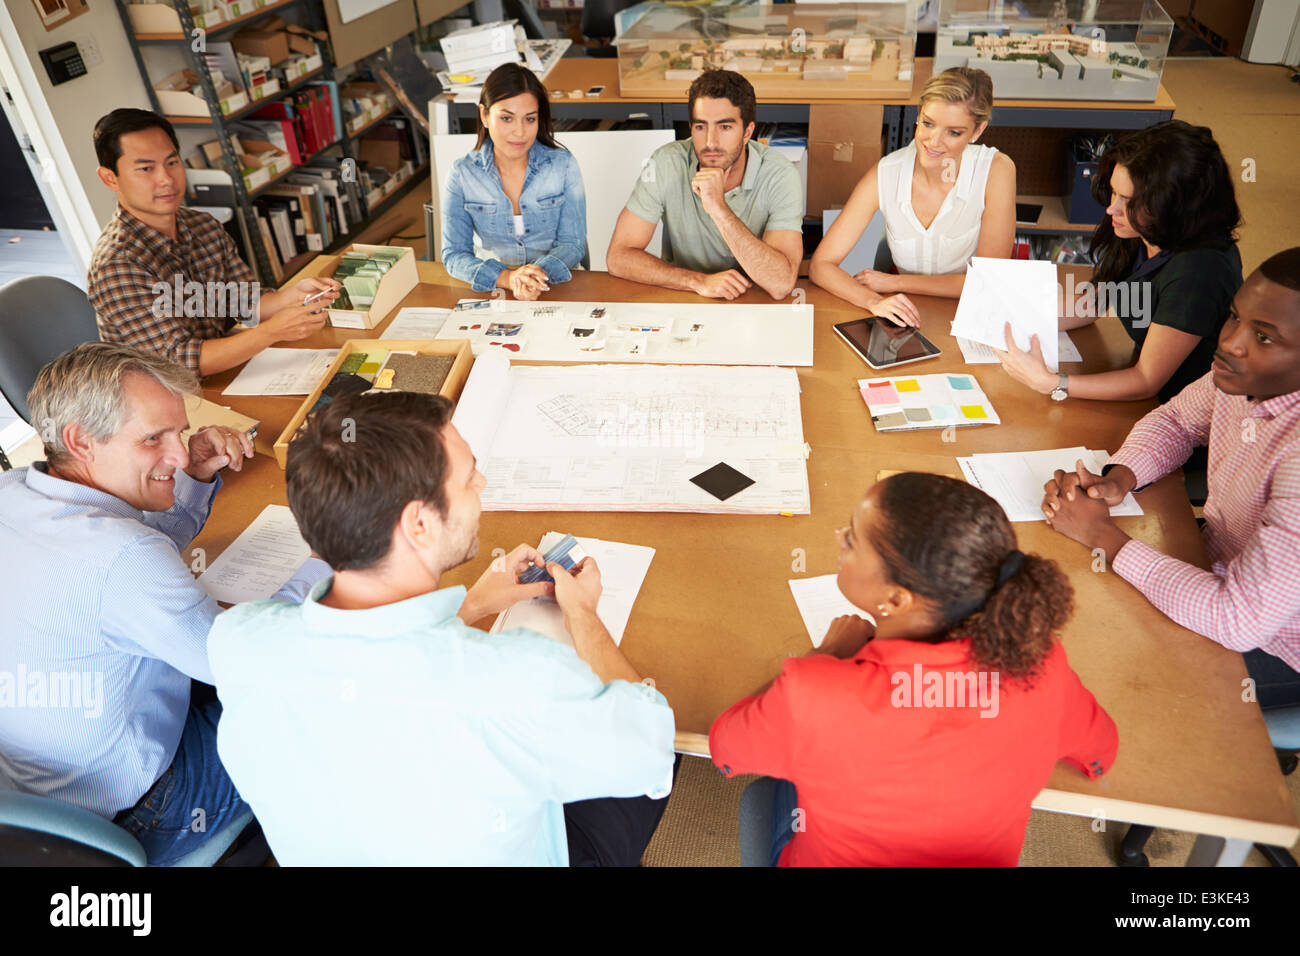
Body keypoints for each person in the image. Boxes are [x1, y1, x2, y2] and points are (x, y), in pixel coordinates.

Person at [207, 391, 677, 865]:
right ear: (419, 525)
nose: (483, 482)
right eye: (469, 478)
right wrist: (584, 616)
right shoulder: (516, 679)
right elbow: (650, 747)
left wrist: (471, 605)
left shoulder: (237, 639)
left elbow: (382, 675)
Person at [0, 342, 328, 865]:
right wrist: (330, 556)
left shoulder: (17, 490)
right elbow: (257, 661)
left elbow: (123, 566)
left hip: (40, 795)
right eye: (154, 438)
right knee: (324, 694)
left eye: (179, 430)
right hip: (148, 809)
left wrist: (190, 481)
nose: (178, 453)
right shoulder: (121, 557)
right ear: (80, 441)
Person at [709, 473, 1118, 866]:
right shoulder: (1042, 665)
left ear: (896, 600)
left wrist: (826, 654)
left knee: (767, 793)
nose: (838, 538)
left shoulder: (816, 691)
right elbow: (1100, 756)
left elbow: (725, 750)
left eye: (851, 539)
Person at [1041, 248, 1300, 710]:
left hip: (1279, 646)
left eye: (1263, 337)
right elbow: (1177, 420)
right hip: (1217, 563)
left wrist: (1103, 536)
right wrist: (1120, 477)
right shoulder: (1241, 378)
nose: (1230, 343)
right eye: (1233, 318)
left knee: (1116, 680)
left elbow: (1237, 619)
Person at [997, 120, 1242, 404]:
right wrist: (1012, 320)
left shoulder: (1199, 272)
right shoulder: (1142, 229)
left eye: (1129, 200)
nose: (1112, 208)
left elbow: (1146, 380)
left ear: (1175, 203)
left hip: (1178, 410)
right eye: (1114, 192)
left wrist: (1052, 382)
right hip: (1143, 390)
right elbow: (1095, 300)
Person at [88, 108, 341, 376]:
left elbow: (243, 300)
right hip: (164, 397)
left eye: (172, 163)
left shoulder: (203, 225)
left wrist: (290, 296)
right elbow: (177, 362)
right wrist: (273, 331)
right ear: (110, 178)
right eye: (146, 168)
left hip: (223, 375)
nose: (166, 179)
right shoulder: (116, 265)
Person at [810, 67, 1015, 327]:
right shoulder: (885, 174)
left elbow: (987, 282)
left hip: (971, 313)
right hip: (909, 315)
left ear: (977, 131)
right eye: (928, 123)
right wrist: (873, 300)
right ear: (918, 115)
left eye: (954, 132)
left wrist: (895, 282)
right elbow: (821, 266)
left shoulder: (996, 171)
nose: (934, 141)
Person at [607, 69, 803, 300]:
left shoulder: (780, 174)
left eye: (725, 127)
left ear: (747, 131)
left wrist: (718, 208)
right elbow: (618, 257)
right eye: (701, 127)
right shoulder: (665, 162)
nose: (710, 142)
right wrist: (697, 281)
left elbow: (780, 284)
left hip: (754, 301)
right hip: (687, 296)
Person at [442, 63, 587, 301]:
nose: (520, 132)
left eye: (529, 119)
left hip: (554, 286)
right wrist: (509, 278)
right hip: (492, 288)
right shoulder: (462, 174)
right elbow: (454, 255)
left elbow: (573, 243)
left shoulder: (563, 164)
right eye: (507, 118)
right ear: (484, 115)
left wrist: (534, 277)